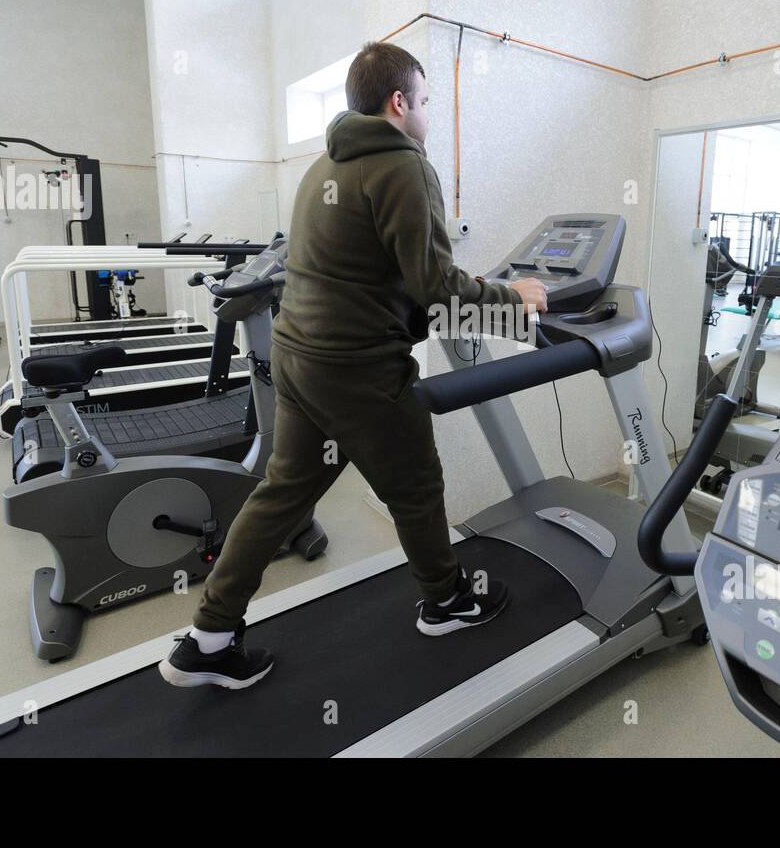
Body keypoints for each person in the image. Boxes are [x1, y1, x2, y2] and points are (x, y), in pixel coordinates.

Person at [159, 42, 550, 689]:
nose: (426, 113)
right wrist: (517, 303)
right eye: (424, 101)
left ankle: (208, 636)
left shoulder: (324, 166)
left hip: (298, 357)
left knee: (283, 492)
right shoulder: (405, 167)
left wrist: (464, 284)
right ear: (400, 102)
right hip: (358, 371)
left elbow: (377, 270)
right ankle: (447, 601)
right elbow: (435, 289)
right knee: (416, 485)